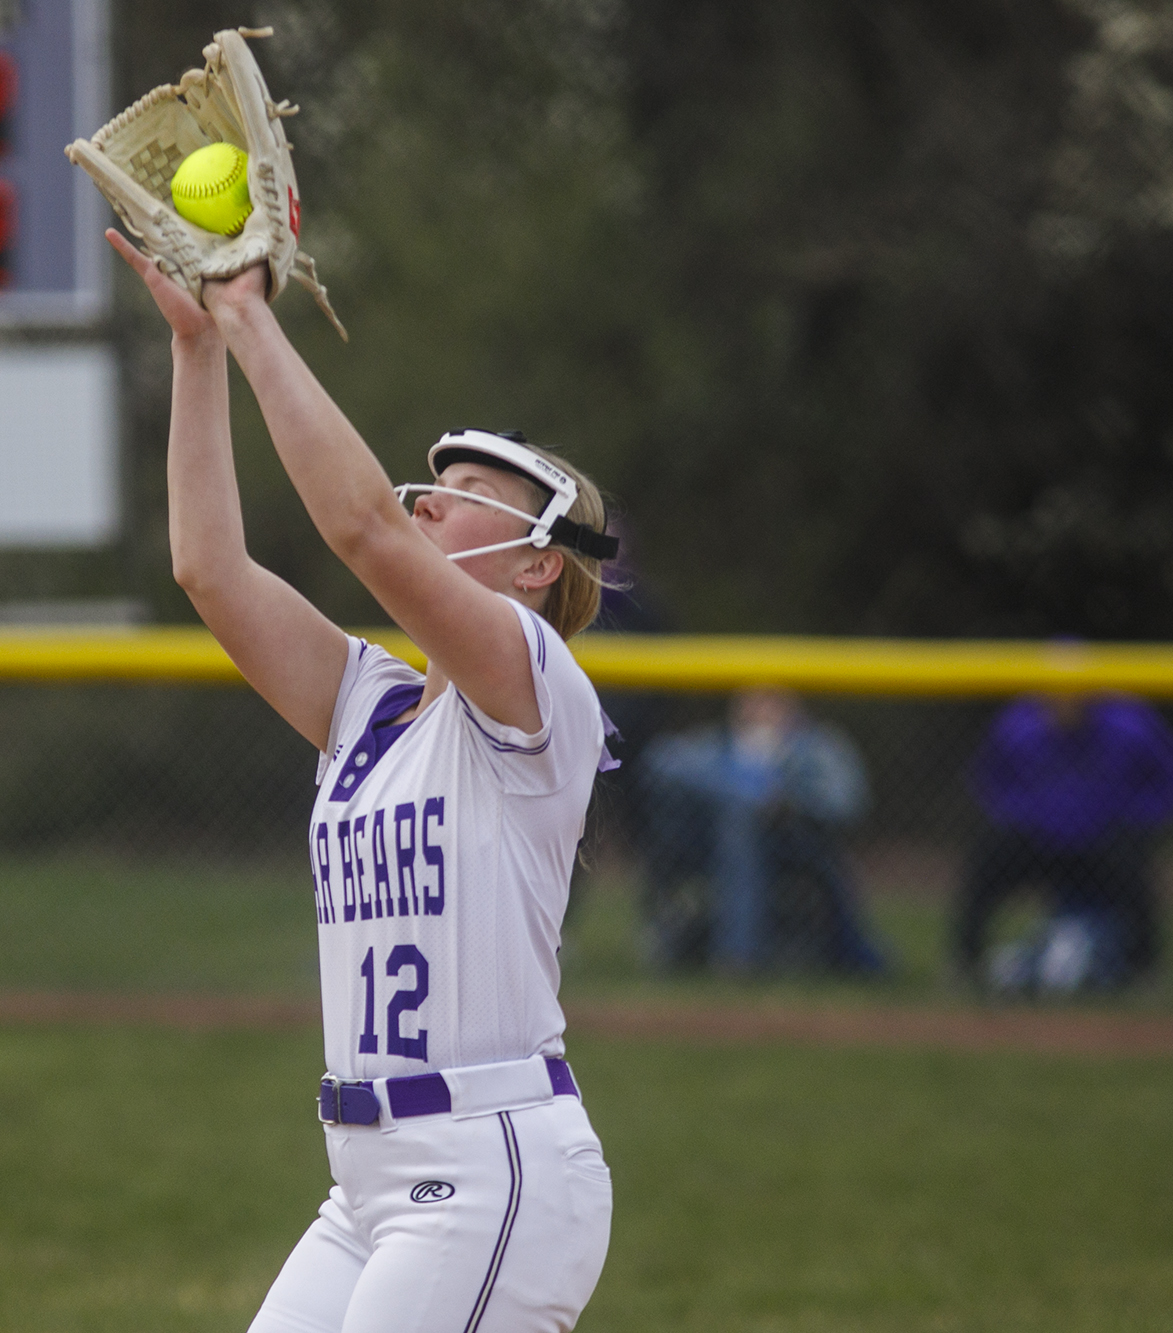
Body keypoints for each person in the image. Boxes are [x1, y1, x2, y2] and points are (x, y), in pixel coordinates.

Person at [107, 228, 617, 1333]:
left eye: (467, 491)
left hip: (489, 1172)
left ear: (536, 562)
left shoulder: (534, 687)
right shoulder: (370, 706)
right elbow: (208, 568)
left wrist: (251, 317)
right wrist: (197, 350)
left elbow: (359, 528)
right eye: (431, 486)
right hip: (367, 1181)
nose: (428, 502)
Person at [955, 692, 1173, 993]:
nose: (1066, 700)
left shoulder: (1130, 724)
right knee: (990, 854)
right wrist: (1023, 812)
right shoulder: (1019, 724)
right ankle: (963, 962)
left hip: (1103, 838)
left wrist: (1138, 818)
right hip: (1037, 838)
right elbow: (986, 778)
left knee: (1132, 867)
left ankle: (1146, 969)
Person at [638, 688, 889, 974]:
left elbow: (848, 801)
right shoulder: (716, 745)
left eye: (773, 702)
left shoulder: (817, 748)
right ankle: (736, 957)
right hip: (711, 848)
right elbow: (659, 762)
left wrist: (788, 795)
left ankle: (739, 956)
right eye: (753, 702)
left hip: (794, 846)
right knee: (737, 822)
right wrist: (744, 791)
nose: (761, 712)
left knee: (746, 827)